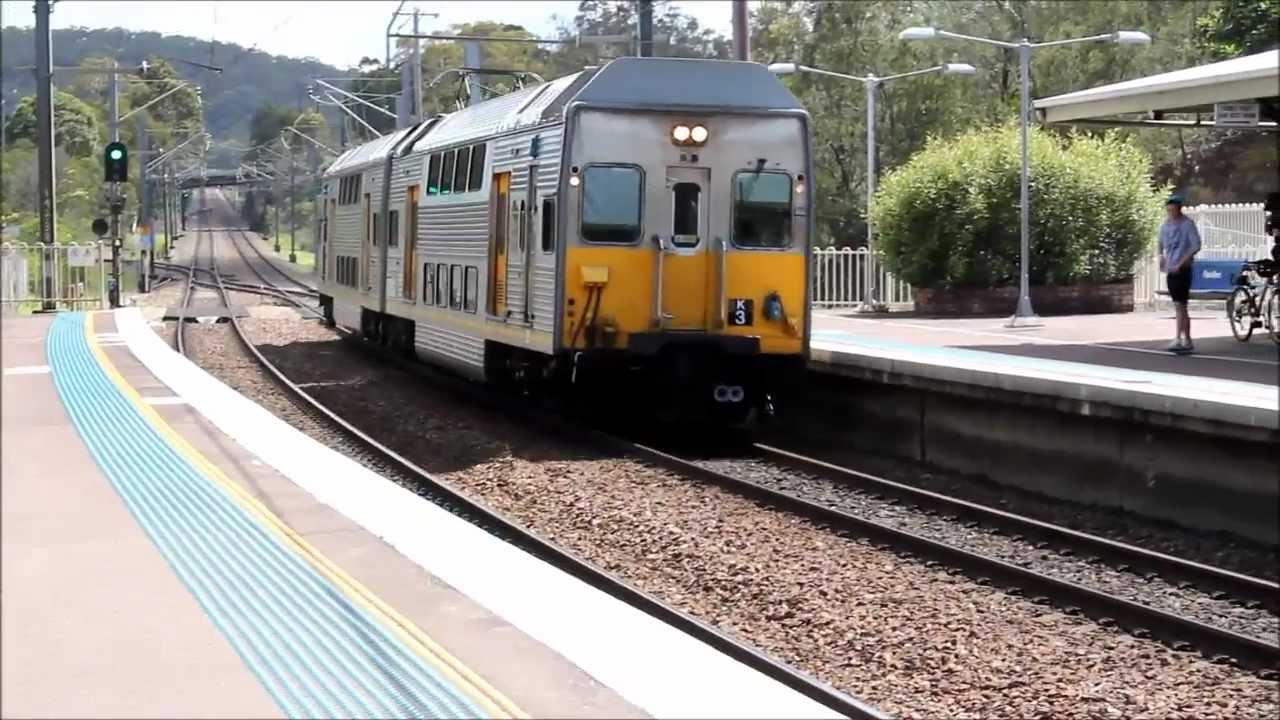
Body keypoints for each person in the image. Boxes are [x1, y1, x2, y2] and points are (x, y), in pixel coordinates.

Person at [1159, 194, 1201, 353]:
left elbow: (1196, 245)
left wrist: (1182, 262)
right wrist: (1161, 257)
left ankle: (1179, 338)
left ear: (1179, 209)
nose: (1171, 213)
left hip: (1183, 269)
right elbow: (1160, 243)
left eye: (1173, 210)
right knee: (1180, 306)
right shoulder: (1166, 225)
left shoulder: (1187, 225)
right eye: (1168, 210)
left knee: (1180, 305)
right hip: (1171, 268)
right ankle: (1187, 339)